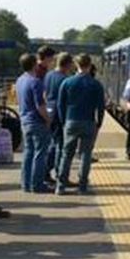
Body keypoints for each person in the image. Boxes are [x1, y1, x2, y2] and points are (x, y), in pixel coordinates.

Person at [56, 54, 105, 194]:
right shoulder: (96, 84)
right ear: (89, 66)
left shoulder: (67, 82)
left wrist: (63, 121)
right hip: (89, 122)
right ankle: (82, 187)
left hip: (70, 121)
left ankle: (61, 186)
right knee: (86, 155)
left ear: (76, 65)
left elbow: (60, 104)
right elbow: (101, 107)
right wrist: (99, 123)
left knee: (66, 155)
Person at [16, 53, 51, 192]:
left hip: (24, 121)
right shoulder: (36, 82)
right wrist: (48, 119)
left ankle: (26, 184)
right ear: (34, 64)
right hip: (36, 121)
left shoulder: (19, 80)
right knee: (40, 153)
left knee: (28, 152)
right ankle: (37, 185)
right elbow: (40, 106)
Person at [44, 53, 75, 181]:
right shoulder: (65, 79)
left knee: (53, 143)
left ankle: (45, 171)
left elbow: (44, 94)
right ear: (67, 64)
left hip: (49, 110)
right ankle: (59, 175)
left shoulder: (49, 75)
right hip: (60, 113)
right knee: (60, 146)